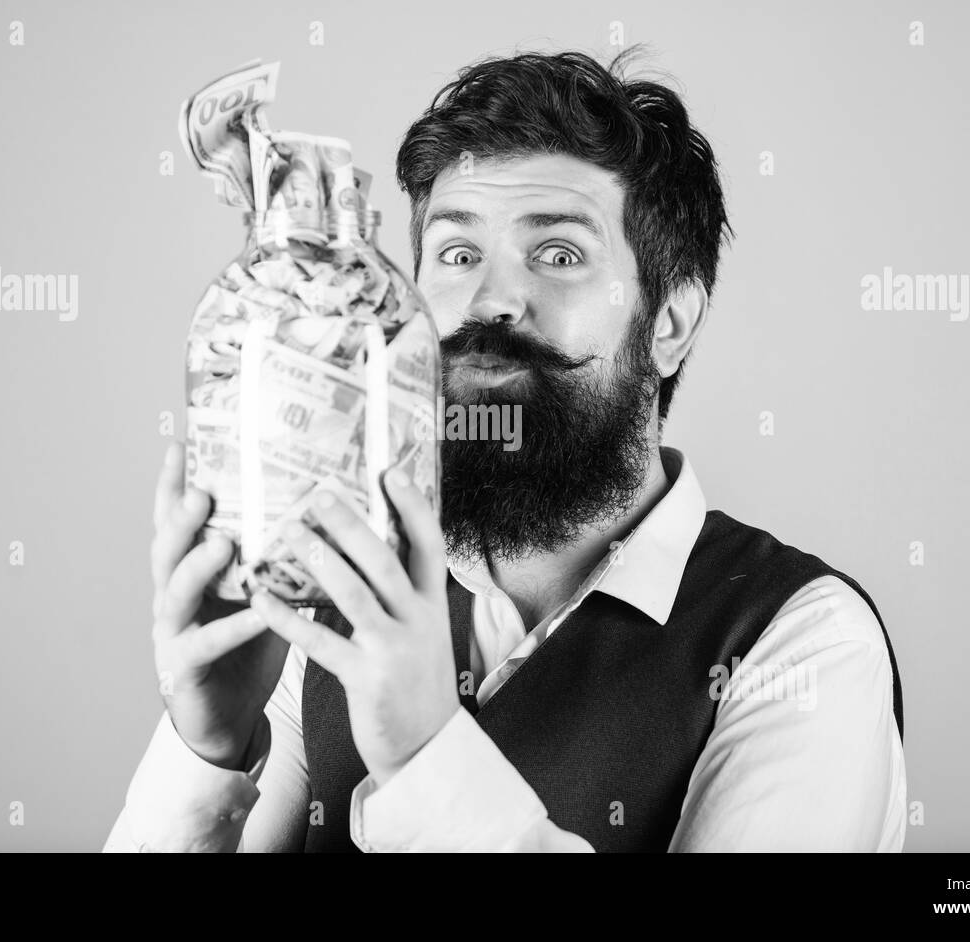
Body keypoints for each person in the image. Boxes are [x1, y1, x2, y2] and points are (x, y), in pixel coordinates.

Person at [104, 47, 905, 853]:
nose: (489, 300)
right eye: (457, 255)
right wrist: (209, 753)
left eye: (558, 254)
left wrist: (425, 756)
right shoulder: (331, 606)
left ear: (668, 324)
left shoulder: (802, 642)